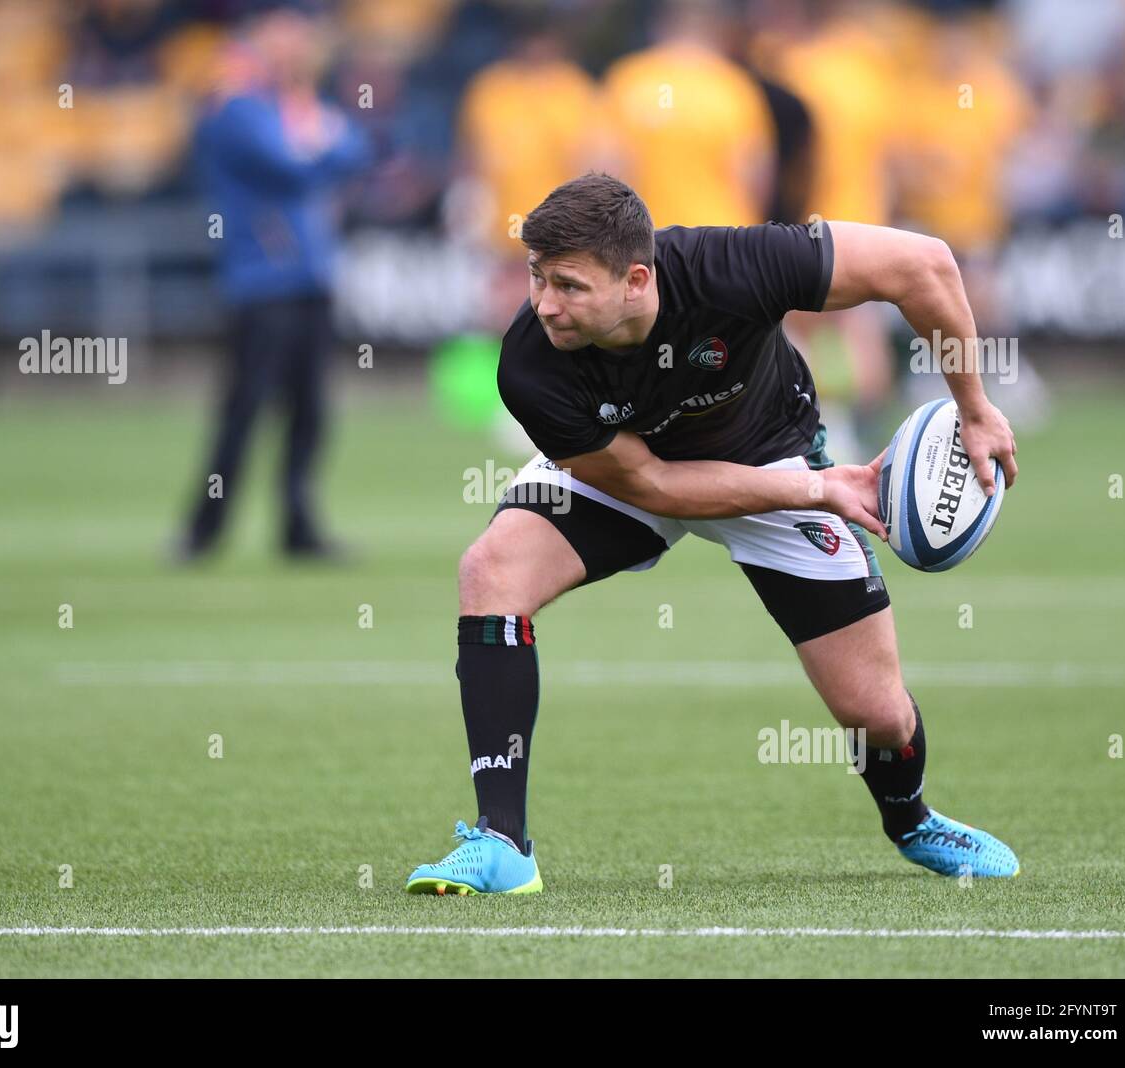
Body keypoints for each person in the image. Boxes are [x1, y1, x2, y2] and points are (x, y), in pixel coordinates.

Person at [405, 173, 1019, 895]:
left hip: (769, 453)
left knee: (875, 713)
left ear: (637, 279)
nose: (544, 304)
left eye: (569, 286)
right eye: (537, 278)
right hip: (633, 465)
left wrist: (973, 407)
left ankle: (911, 820)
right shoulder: (532, 366)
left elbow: (924, 265)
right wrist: (821, 489)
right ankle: (503, 844)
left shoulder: (733, 268)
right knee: (492, 572)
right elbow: (654, 489)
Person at [178, 8, 370, 561]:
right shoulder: (241, 109)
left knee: (309, 412)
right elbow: (301, 167)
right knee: (245, 408)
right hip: (262, 283)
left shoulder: (293, 109)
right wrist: (323, 144)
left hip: (309, 278)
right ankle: (203, 531)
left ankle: (297, 526)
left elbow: (350, 149)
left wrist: (322, 142)